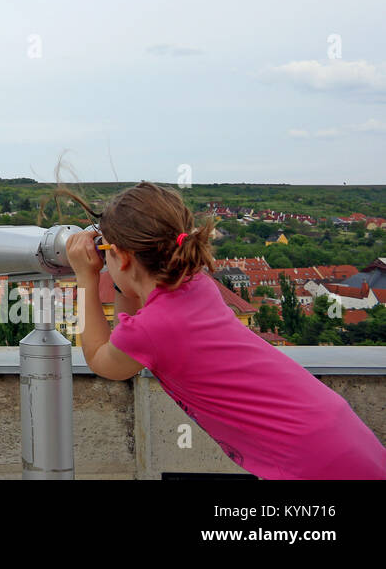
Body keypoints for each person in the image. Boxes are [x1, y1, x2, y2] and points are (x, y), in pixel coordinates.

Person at [62, 180, 386, 480]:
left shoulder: (153, 327)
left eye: (107, 254)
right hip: (331, 429)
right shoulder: (196, 286)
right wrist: (120, 276)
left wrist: (87, 278)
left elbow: (102, 360)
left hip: (308, 461)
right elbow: (131, 326)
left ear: (120, 255)